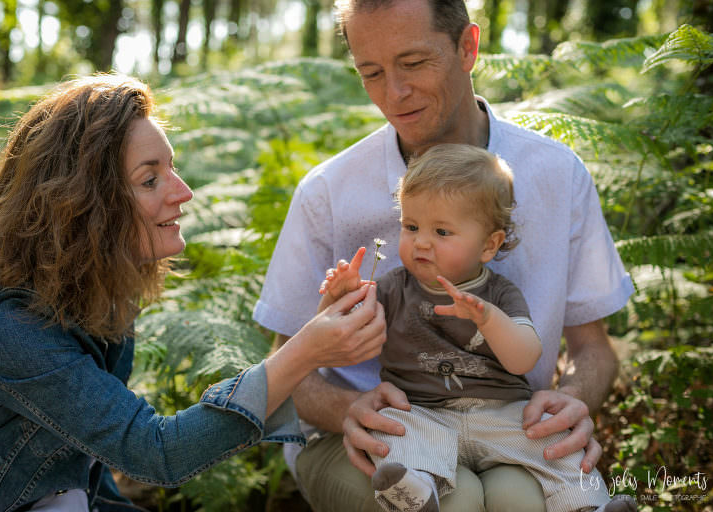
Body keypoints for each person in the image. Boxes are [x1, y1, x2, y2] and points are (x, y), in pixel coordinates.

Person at [252, 0, 635, 510]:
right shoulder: (329, 191)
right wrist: (347, 407)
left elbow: (593, 348)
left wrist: (572, 402)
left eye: (413, 63)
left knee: (519, 500)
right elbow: (285, 366)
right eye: (371, 73)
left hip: (506, 426)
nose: (394, 93)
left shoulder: (557, 174)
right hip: (372, 437)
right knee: (457, 502)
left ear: (467, 47)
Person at [0, 74, 386, 512]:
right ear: (80, 202)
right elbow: (156, 451)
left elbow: (86, 469)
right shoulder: (4, 330)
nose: (183, 192)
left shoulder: (96, 299)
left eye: (172, 168)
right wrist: (305, 351)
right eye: (150, 180)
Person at [317, 144, 636, 512]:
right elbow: (341, 335)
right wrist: (338, 297)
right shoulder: (392, 288)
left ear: (489, 245)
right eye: (411, 226)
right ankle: (416, 492)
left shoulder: (499, 293)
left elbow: (524, 359)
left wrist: (488, 319)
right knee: (391, 425)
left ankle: (588, 506)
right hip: (424, 413)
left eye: (441, 231)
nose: (421, 241)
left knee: (555, 440)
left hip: (500, 414)